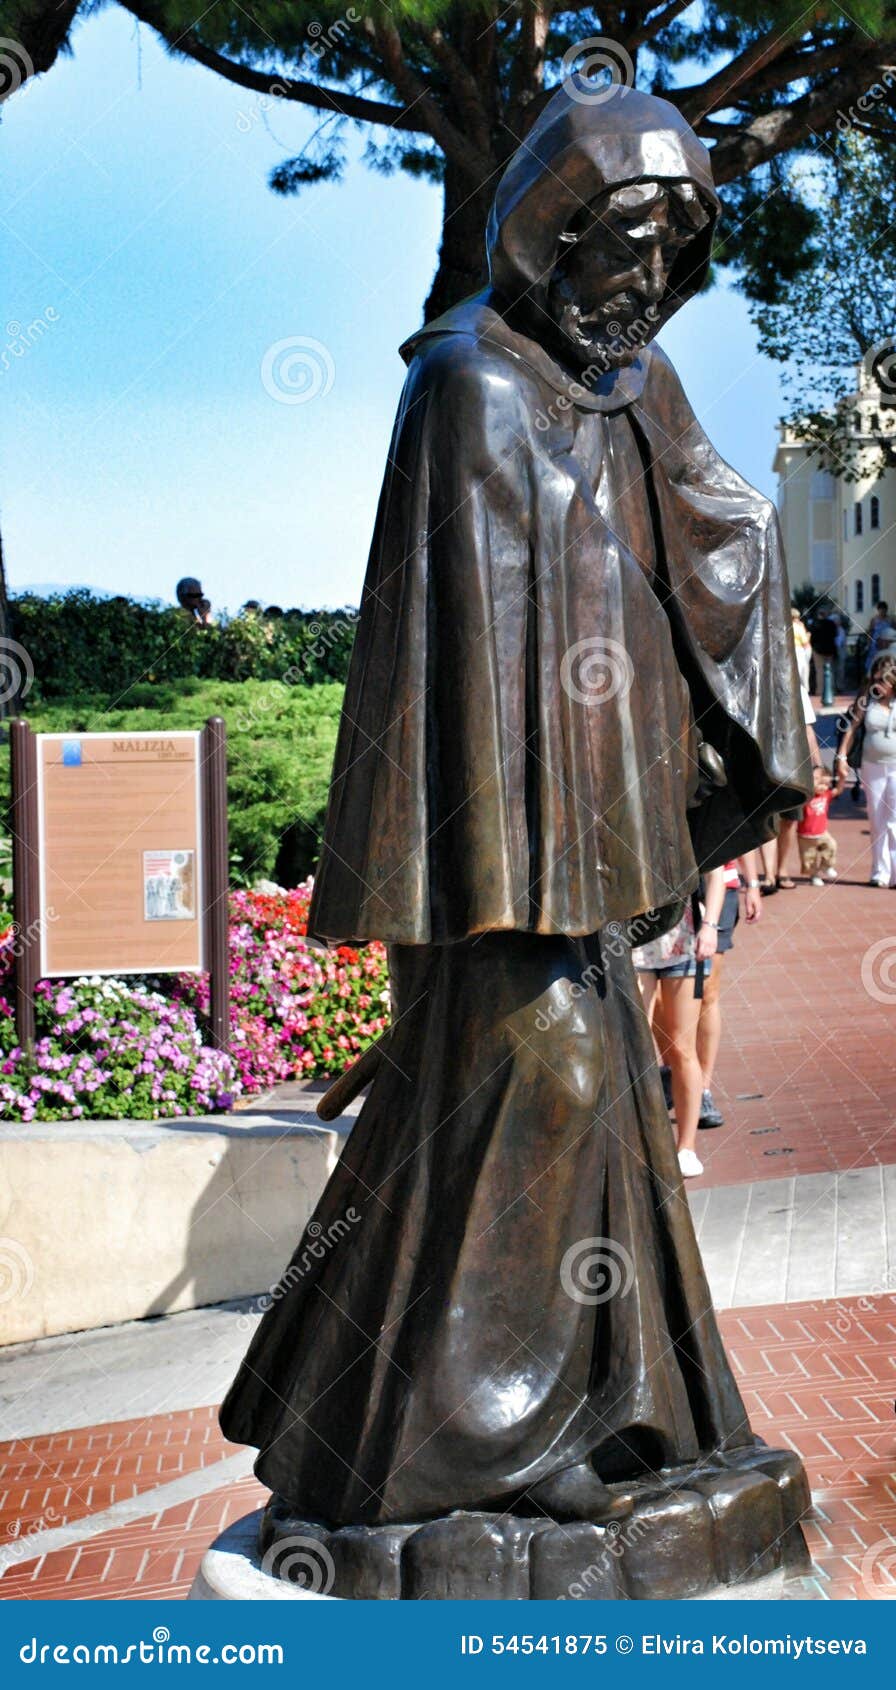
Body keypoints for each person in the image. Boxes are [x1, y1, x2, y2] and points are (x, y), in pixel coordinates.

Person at [220, 84, 810, 1533]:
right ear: (548, 234)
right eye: (616, 255)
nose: (639, 289)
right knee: (537, 1080)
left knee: (579, 1095)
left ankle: (586, 1416)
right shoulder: (469, 383)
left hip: (595, 838)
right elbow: (450, 668)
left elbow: (713, 521)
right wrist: (486, 870)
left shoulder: (634, 382)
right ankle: (469, 1436)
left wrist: (744, 550)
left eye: (664, 264)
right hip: (496, 856)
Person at [634, 868, 725, 1179]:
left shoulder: (686, 820)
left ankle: (686, 1147)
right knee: (635, 1042)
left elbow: (716, 874)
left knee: (681, 1047)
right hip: (633, 942)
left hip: (684, 936)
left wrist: (711, 926)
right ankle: (638, 1143)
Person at [838, 654, 896, 885]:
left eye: (883, 680)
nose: (878, 685)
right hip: (872, 765)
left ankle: (894, 872)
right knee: (876, 818)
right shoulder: (867, 700)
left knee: (894, 820)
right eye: (875, 679)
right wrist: (841, 756)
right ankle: (879, 872)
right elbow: (851, 728)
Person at [797, 765, 844, 884]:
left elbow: (838, 790)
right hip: (805, 834)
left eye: (825, 784)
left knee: (831, 846)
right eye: (817, 781)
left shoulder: (826, 794)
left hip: (822, 832)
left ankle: (826, 866)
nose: (822, 786)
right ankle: (814, 875)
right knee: (809, 857)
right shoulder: (806, 796)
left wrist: (842, 778)